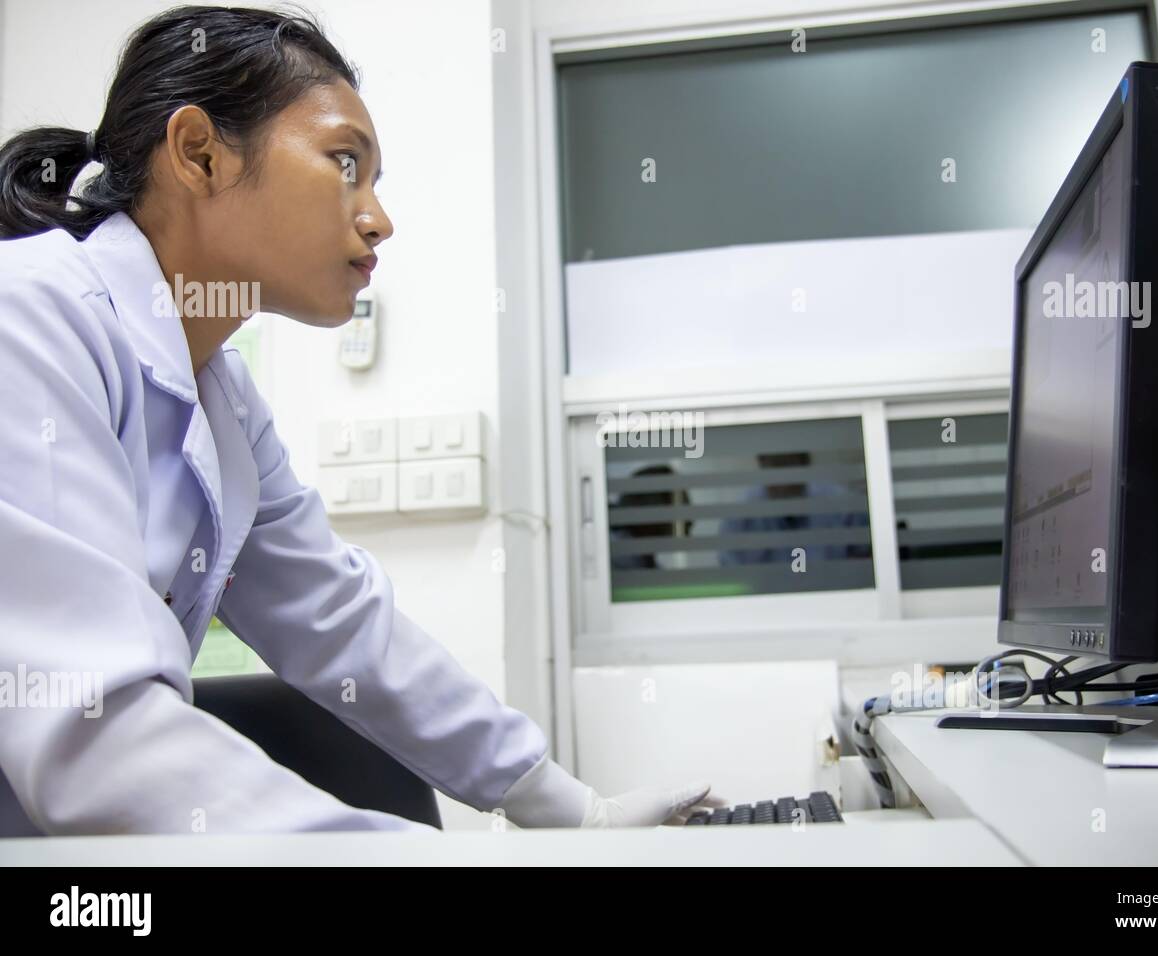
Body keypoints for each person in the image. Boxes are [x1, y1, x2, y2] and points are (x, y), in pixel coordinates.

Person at [0, 5, 722, 836]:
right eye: (346, 164)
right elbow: (99, 735)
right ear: (199, 153)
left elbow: (340, 624)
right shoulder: (32, 318)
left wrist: (575, 814)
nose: (377, 217)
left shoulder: (220, 397)